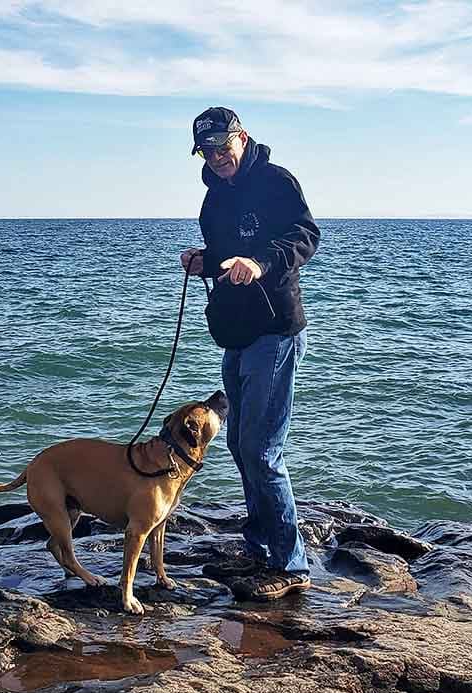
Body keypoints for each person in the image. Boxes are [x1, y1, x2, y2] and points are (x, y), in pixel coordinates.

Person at [181, 106, 320, 599]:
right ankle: (260, 543)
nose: (217, 157)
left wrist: (260, 262)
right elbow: (222, 258)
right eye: (207, 150)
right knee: (239, 444)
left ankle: (291, 564)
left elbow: (305, 237)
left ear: (241, 137)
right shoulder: (212, 198)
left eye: (223, 146)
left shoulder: (277, 182)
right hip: (235, 332)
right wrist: (203, 263)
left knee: (262, 451)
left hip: (276, 331)